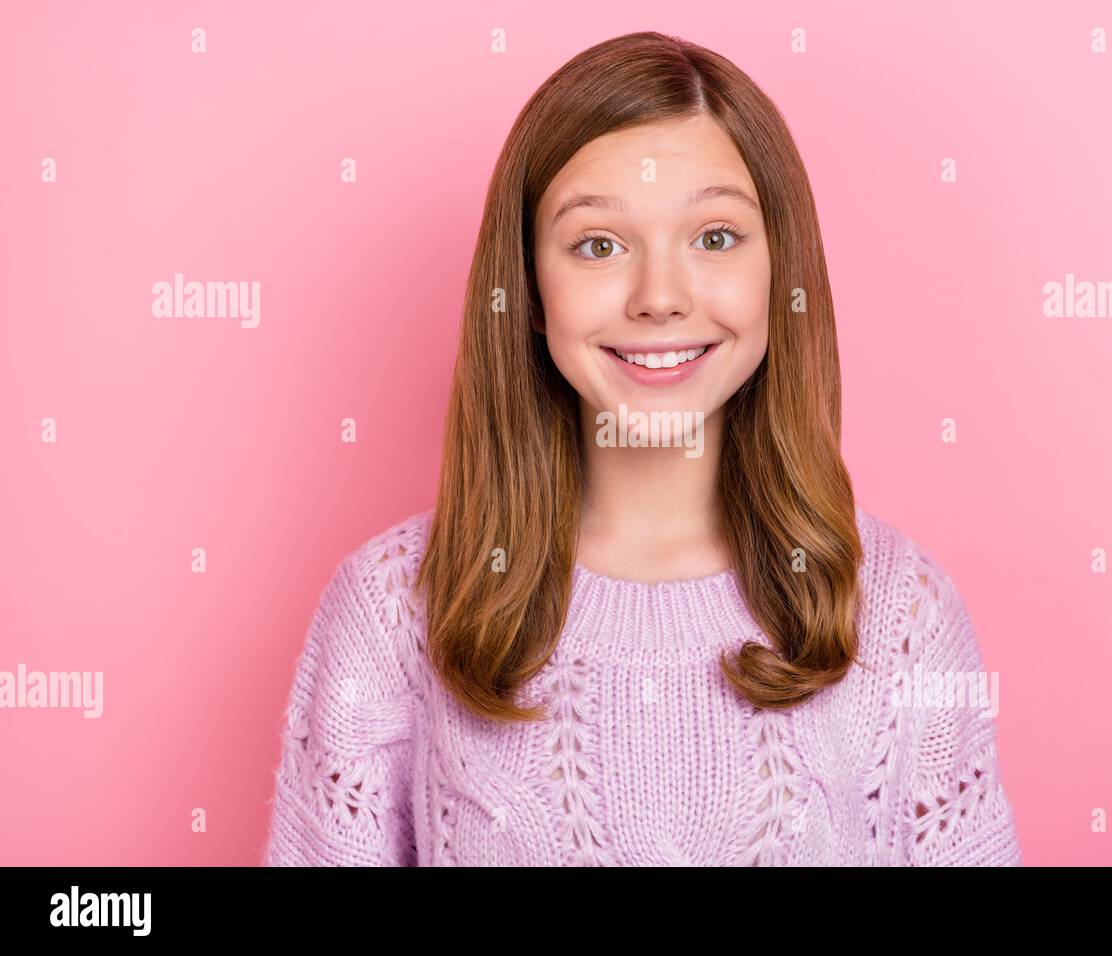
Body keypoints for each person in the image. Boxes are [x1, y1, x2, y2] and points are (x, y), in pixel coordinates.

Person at [261, 30, 1022, 866]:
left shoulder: (902, 615)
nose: (660, 297)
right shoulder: (389, 612)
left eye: (716, 237)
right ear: (530, 291)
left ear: (781, 270)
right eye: (599, 245)